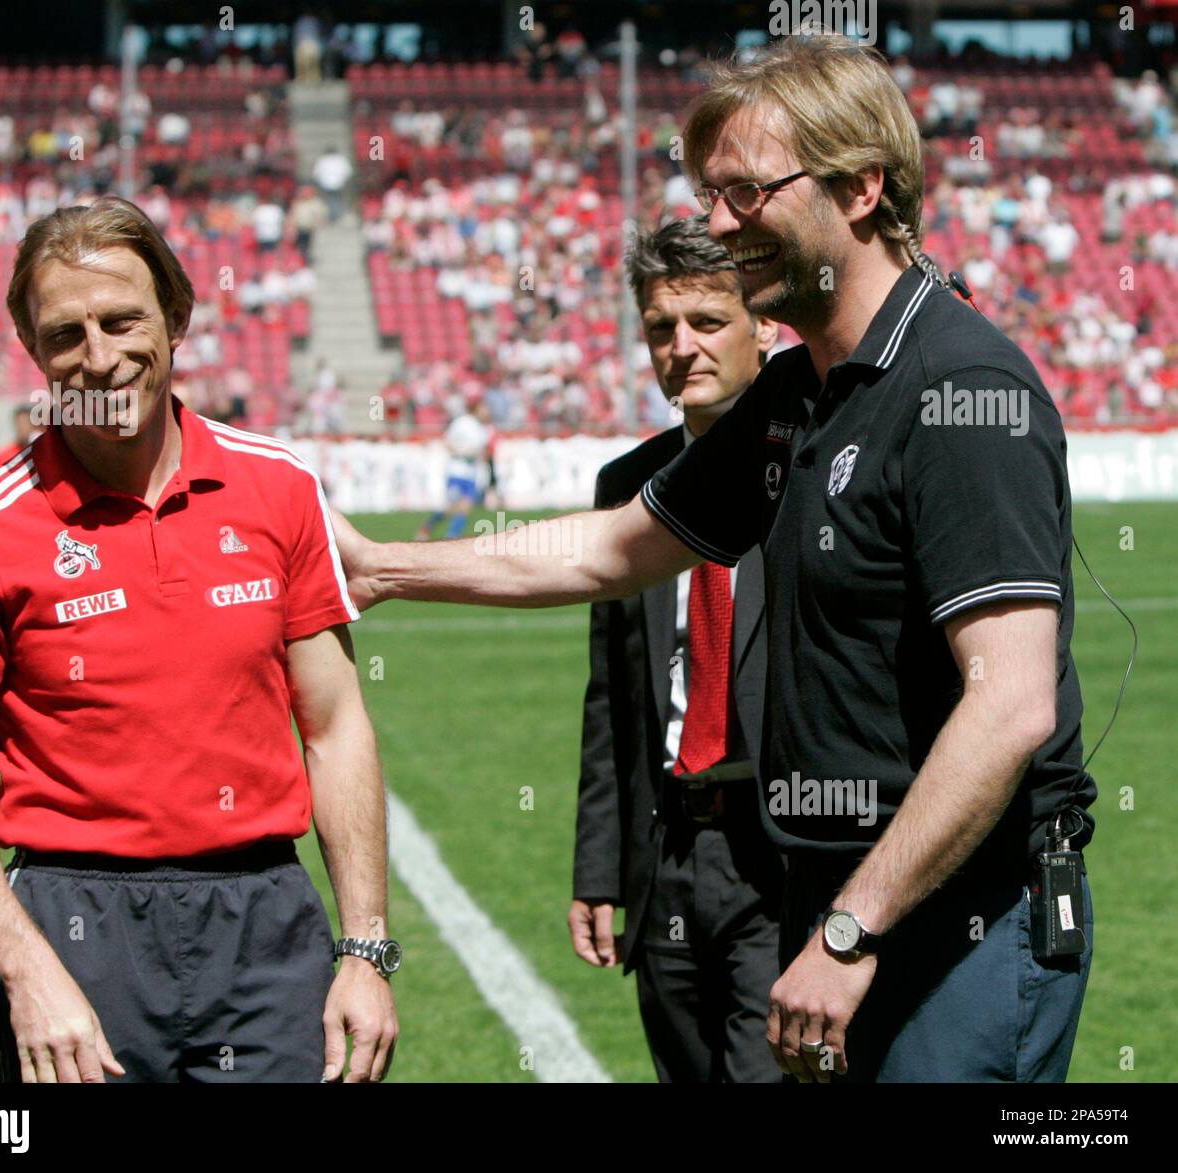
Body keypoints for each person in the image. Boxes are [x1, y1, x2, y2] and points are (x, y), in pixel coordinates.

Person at [332, 35, 1094, 1084]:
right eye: (709, 195)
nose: (719, 226)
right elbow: (610, 551)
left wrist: (847, 933)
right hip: (843, 897)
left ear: (862, 186)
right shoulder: (798, 396)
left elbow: (1009, 704)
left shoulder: (962, 388)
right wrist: (382, 568)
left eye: (746, 193)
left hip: (959, 919)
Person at [0, 196, 399, 1084]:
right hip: (74, 926)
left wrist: (365, 945)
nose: (99, 357)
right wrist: (28, 968)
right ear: (32, 350)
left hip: (265, 919)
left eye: (122, 320)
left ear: (176, 315)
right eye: (65, 335)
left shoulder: (279, 489)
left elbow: (335, 725)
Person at [570, 215, 784, 1082]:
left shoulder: (810, 462)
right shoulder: (625, 487)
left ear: (764, 324)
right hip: (669, 851)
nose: (682, 347)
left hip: (780, 851)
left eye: (707, 321)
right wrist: (598, 866)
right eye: (662, 327)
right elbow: (611, 697)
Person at [415, 399, 492, 541]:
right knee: (452, 507)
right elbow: (448, 442)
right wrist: (462, 451)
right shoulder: (462, 423)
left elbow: (483, 453)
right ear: (475, 408)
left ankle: (452, 536)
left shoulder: (483, 429)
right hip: (457, 470)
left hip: (471, 473)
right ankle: (429, 525)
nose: (487, 411)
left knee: (466, 506)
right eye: (484, 407)